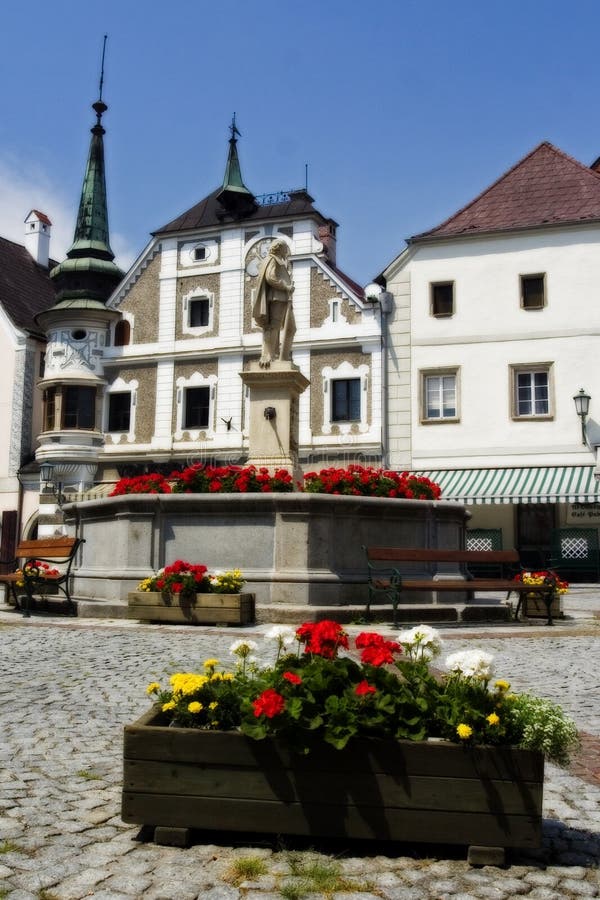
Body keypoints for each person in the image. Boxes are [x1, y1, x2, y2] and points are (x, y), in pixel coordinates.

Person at [252, 239, 296, 367]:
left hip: (283, 298)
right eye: (285, 248)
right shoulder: (273, 259)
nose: (287, 250)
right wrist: (286, 286)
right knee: (274, 326)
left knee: (291, 328)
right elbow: (270, 277)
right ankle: (269, 355)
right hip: (277, 297)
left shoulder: (278, 260)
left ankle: (281, 356)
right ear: (279, 248)